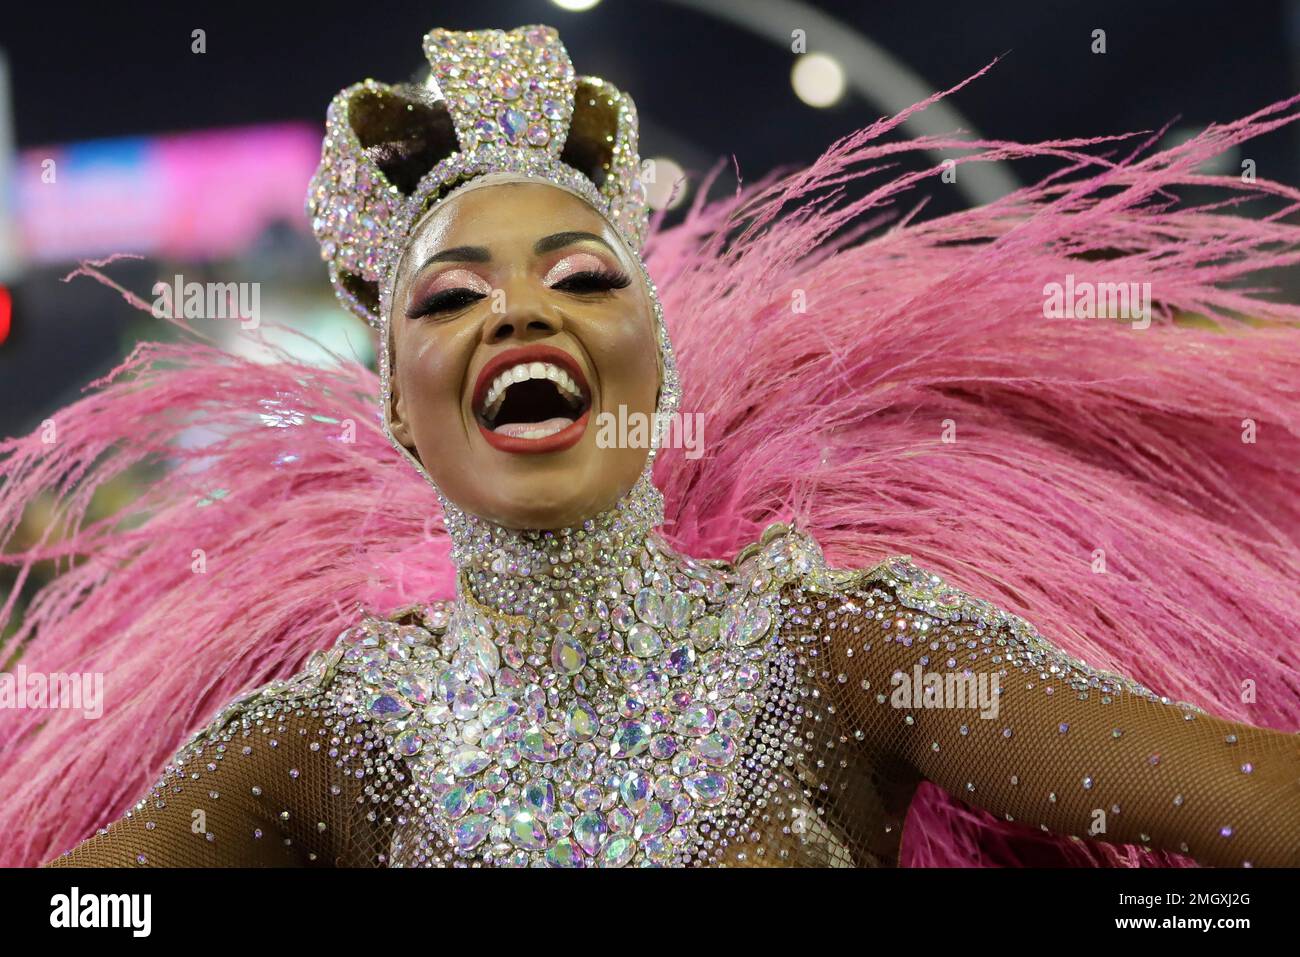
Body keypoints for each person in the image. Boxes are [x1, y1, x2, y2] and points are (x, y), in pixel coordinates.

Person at [7, 24, 1299, 868]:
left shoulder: (838, 649)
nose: (520, 310)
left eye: (580, 276)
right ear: (400, 406)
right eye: (452, 300)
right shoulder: (333, 735)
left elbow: (1243, 797)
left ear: (658, 360)